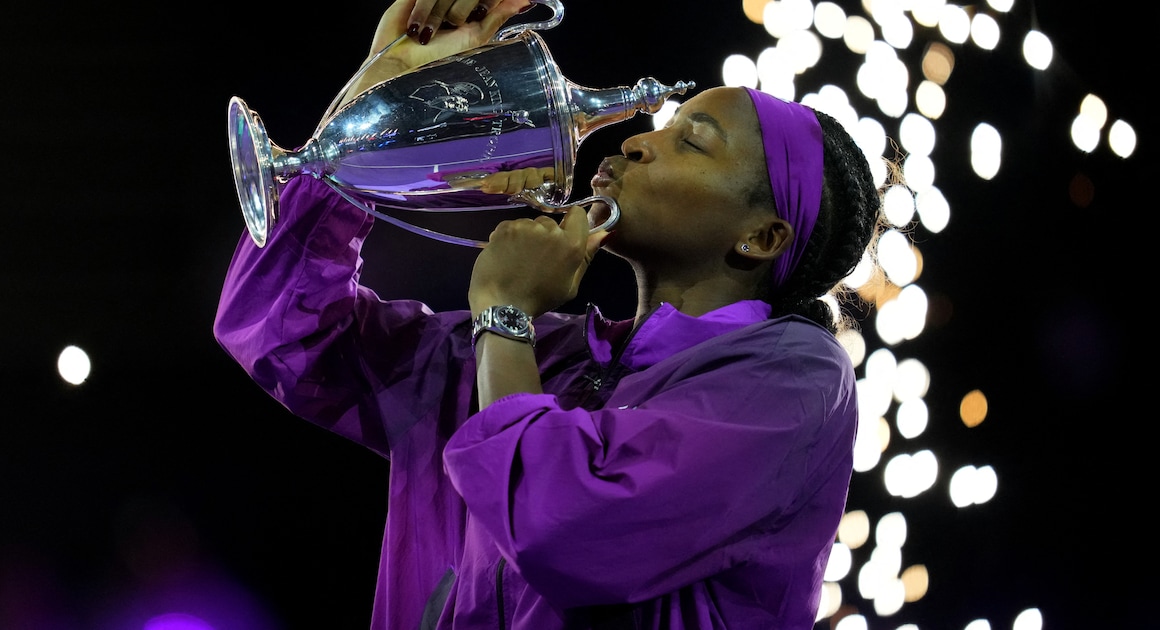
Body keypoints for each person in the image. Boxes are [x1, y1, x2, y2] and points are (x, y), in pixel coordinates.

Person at [213, 0, 891, 627]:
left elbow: (565, 527)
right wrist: (384, 98)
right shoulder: (551, 355)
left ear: (762, 237)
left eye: (692, 142)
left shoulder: (795, 378)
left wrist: (505, 315)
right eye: (664, 127)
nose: (637, 143)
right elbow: (285, 332)